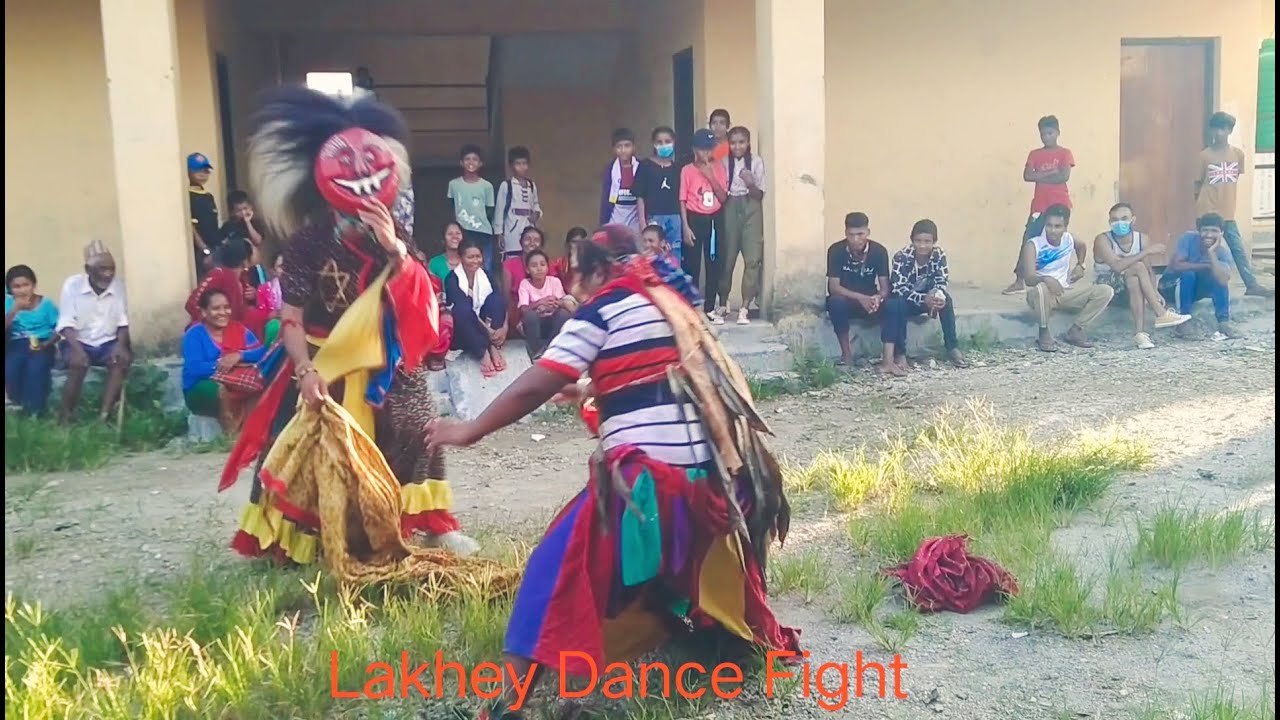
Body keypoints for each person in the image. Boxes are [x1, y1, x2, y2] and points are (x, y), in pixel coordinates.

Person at [424, 225, 800, 720]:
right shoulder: (672, 303)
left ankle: (506, 704)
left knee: (552, 570)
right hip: (715, 495)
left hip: (650, 493)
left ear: (601, 270)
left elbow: (535, 384)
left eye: (581, 275)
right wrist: (588, 388)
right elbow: (665, 374)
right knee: (645, 580)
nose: (576, 287)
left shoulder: (604, 308)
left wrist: (470, 429)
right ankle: (695, 641)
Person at [221, 85, 477, 563]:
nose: (360, 170)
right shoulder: (307, 242)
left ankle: (430, 524)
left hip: (386, 355)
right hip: (325, 358)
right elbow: (291, 317)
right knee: (301, 442)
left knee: (418, 426)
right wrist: (304, 371)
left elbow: (418, 289)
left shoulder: (392, 228)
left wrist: (393, 246)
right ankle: (306, 537)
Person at [1194, 111, 1272, 298]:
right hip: (1207, 212)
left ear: (1230, 131)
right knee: (1206, 251)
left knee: (1238, 249)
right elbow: (1197, 184)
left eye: (1224, 129)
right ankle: (1204, 288)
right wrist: (1201, 209)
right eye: (1216, 128)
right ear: (1211, 130)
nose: (1219, 133)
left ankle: (1251, 284)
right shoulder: (1204, 156)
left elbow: (1235, 177)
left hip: (1227, 212)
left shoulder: (1238, 154)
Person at [1092, 203, 1191, 349]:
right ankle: (1161, 313)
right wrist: (1146, 252)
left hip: (1130, 285)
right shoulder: (1102, 240)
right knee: (1137, 267)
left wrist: (1154, 292)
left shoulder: (1142, 239)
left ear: (1133, 220)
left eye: (1124, 218)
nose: (1119, 223)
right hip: (1108, 288)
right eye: (1115, 220)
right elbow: (1117, 267)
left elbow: (1149, 270)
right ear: (1109, 222)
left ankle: (1140, 334)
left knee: (1135, 279)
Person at [55, 240, 132, 423]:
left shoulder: (119, 286)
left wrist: (120, 346)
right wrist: (77, 350)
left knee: (119, 362)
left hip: (107, 342)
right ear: (88, 269)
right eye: (103, 269)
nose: (109, 274)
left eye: (112, 269)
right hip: (78, 341)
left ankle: (103, 417)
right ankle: (65, 417)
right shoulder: (72, 285)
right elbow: (66, 323)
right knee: (78, 364)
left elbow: (123, 322)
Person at [1019, 204, 1113, 352]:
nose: (1052, 230)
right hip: (1041, 296)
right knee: (1041, 289)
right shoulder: (1034, 245)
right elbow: (1029, 279)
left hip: (1064, 292)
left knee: (1105, 291)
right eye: (1049, 225)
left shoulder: (1069, 239)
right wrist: (1046, 279)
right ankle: (1043, 332)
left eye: (1057, 226)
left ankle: (1076, 330)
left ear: (1065, 227)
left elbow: (1081, 246)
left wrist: (1080, 265)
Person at [882, 220, 969, 375]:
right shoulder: (901, 257)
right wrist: (923, 298)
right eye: (918, 241)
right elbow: (899, 288)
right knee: (896, 304)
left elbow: (941, 280)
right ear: (912, 240)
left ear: (934, 241)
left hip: (928, 299)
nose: (922, 246)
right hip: (907, 301)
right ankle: (900, 353)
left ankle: (952, 347)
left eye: (927, 241)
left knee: (946, 299)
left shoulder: (938, 254)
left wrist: (936, 294)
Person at [1005, 116, 1075, 295]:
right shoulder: (1034, 154)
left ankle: (1060, 279)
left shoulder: (1065, 153)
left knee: (1059, 242)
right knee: (1029, 240)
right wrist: (1051, 173)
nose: (1046, 137)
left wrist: (1040, 176)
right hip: (1039, 206)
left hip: (1060, 204)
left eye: (1050, 133)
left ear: (1058, 133)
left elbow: (1063, 177)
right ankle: (1020, 280)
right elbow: (1027, 176)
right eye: (1043, 134)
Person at [182, 288, 268, 433]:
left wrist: (239, 356)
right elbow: (195, 368)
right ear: (204, 312)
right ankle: (230, 429)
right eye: (216, 308)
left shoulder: (239, 329)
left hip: (237, 381)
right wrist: (224, 365)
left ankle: (252, 430)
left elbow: (262, 353)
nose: (223, 312)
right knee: (220, 389)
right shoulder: (194, 334)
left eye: (226, 307)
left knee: (259, 382)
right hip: (200, 386)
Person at [1161, 213, 1240, 339]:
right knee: (1188, 274)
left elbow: (1223, 280)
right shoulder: (1188, 238)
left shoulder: (1222, 252)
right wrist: (1207, 266)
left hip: (1194, 289)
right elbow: (1177, 266)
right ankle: (1183, 322)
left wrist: (1211, 254)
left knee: (1217, 275)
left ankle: (1223, 322)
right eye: (1205, 230)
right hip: (1170, 286)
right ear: (1199, 231)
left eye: (1214, 231)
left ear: (1221, 233)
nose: (1209, 235)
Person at [825, 212, 890, 366]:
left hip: (870, 301)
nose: (855, 239)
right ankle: (846, 354)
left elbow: (885, 288)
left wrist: (877, 298)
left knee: (894, 305)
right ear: (845, 233)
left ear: (868, 232)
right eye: (851, 235)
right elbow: (833, 287)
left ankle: (892, 356)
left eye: (860, 234)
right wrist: (861, 298)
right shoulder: (836, 250)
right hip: (847, 300)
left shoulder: (879, 251)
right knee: (835, 303)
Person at [185, 239, 276, 345]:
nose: (257, 251)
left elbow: (240, 311)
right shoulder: (219, 275)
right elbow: (192, 304)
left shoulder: (240, 277)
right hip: (216, 334)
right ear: (245, 261)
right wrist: (212, 322)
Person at [680, 128, 729, 323]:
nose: (706, 153)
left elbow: (723, 197)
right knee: (692, 263)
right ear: (694, 149)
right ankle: (692, 308)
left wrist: (710, 176)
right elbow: (682, 200)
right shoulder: (687, 170)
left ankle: (709, 307)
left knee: (713, 262)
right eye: (702, 149)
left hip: (714, 218)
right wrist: (685, 226)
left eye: (710, 149)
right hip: (694, 217)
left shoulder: (719, 167)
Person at [719, 126, 766, 325]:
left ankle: (745, 306)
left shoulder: (756, 162)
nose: (737, 146)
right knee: (727, 257)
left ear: (748, 143)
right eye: (733, 142)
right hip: (730, 205)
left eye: (741, 142)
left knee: (752, 259)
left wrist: (750, 183)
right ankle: (723, 303)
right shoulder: (723, 162)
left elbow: (759, 194)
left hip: (751, 206)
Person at [447, 239, 508, 376]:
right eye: (470, 257)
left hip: (488, 326)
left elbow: (501, 302)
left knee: (496, 300)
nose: (475, 261)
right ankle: (483, 352)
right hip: (465, 329)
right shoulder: (452, 279)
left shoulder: (487, 275)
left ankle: (493, 347)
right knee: (462, 309)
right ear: (461, 258)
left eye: (478, 256)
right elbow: (466, 312)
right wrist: (489, 331)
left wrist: (504, 328)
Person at [5, 265, 60, 416]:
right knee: (11, 369)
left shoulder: (46, 304)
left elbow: (59, 329)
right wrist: (15, 309)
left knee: (36, 369)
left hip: (43, 343)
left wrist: (46, 344)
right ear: (10, 289)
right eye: (16, 287)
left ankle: (35, 411)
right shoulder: (8, 303)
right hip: (17, 343)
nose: (22, 290)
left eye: (26, 285)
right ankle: (17, 405)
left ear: (33, 285)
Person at [637, 126, 686, 265]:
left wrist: (683, 222)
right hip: (654, 217)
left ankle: (673, 278)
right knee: (653, 256)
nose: (664, 145)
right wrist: (642, 221)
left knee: (674, 255)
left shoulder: (678, 168)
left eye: (667, 141)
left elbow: (682, 197)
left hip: (674, 218)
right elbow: (640, 195)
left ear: (674, 142)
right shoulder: (645, 166)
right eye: (659, 142)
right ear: (654, 144)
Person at [448, 144, 497, 273]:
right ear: (461, 162)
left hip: (483, 232)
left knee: (485, 268)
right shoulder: (454, 184)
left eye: (475, 159)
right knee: (463, 266)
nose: (471, 162)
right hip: (463, 231)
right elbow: (452, 206)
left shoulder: (487, 186)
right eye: (467, 159)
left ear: (480, 163)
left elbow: (490, 210)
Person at [517, 249, 570, 360]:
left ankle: (549, 348)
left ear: (547, 267)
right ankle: (536, 350)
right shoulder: (525, 284)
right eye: (534, 265)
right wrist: (540, 302)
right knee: (530, 315)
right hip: (535, 324)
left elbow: (561, 302)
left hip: (551, 321)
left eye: (542, 264)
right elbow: (523, 309)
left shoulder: (555, 281)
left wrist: (551, 306)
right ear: (527, 269)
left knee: (564, 314)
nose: (539, 268)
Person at [493, 146, 543, 261]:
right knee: (513, 254)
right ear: (511, 166)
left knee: (530, 253)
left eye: (524, 163)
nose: (521, 167)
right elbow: (499, 210)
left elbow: (536, 204)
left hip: (528, 223)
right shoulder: (506, 185)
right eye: (518, 164)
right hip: (512, 225)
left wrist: (537, 213)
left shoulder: (532, 185)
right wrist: (499, 233)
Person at [502, 226, 547, 335]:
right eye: (527, 239)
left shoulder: (545, 265)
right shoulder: (509, 265)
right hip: (516, 311)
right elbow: (506, 296)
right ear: (521, 242)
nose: (531, 243)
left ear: (541, 245)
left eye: (536, 240)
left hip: (543, 310)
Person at [599, 128, 645, 232]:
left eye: (627, 146)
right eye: (619, 146)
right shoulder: (610, 169)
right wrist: (603, 223)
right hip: (616, 217)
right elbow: (606, 198)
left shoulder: (641, 167)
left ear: (633, 147)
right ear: (614, 149)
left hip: (635, 217)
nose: (623, 150)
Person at [220, 190, 268, 278]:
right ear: (232, 212)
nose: (243, 213)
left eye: (245, 208)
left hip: (254, 266)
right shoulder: (228, 226)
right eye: (238, 210)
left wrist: (247, 222)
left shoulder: (255, 223)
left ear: (251, 207)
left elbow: (257, 241)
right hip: (236, 267)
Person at [188, 152, 220, 278]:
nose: (203, 174)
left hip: (214, 248)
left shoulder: (208, 196)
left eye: (206, 170)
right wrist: (204, 249)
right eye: (197, 170)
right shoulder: (189, 196)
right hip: (200, 250)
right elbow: (191, 226)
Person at [550, 226, 588, 309]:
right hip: (566, 299)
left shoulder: (591, 263)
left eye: (581, 242)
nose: (578, 245)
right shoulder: (559, 263)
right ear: (568, 244)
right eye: (574, 242)